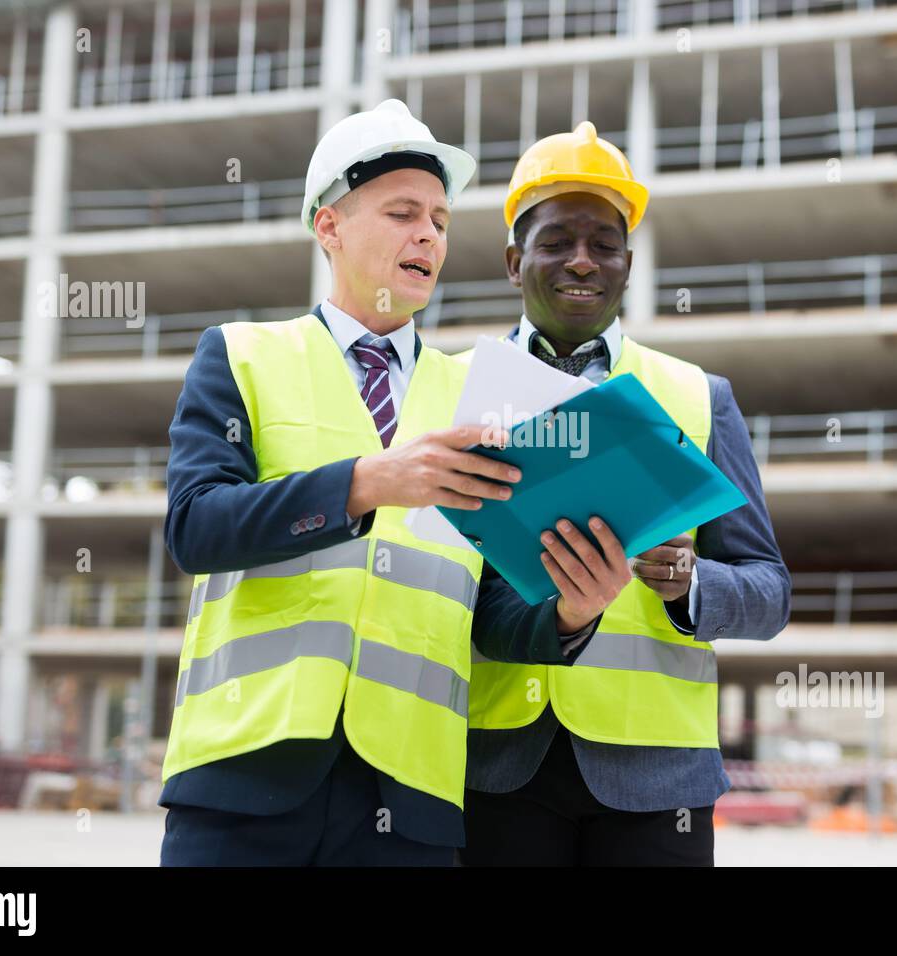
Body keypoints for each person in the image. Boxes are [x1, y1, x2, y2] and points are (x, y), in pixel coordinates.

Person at [158, 101, 630, 866]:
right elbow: (197, 527)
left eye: (441, 221)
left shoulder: (493, 391)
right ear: (329, 226)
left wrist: (571, 611)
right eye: (404, 213)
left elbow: (496, 612)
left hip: (410, 799)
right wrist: (368, 481)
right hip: (244, 776)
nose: (429, 237)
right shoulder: (242, 356)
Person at [460, 122, 792, 867]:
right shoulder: (455, 392)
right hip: (494, 767)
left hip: (655, 783)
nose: (583, 260)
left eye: (604, 244)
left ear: (629, 264)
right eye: (556, 241)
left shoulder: (697, 397)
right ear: (515, 262)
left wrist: (692, 585)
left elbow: (769, 592)